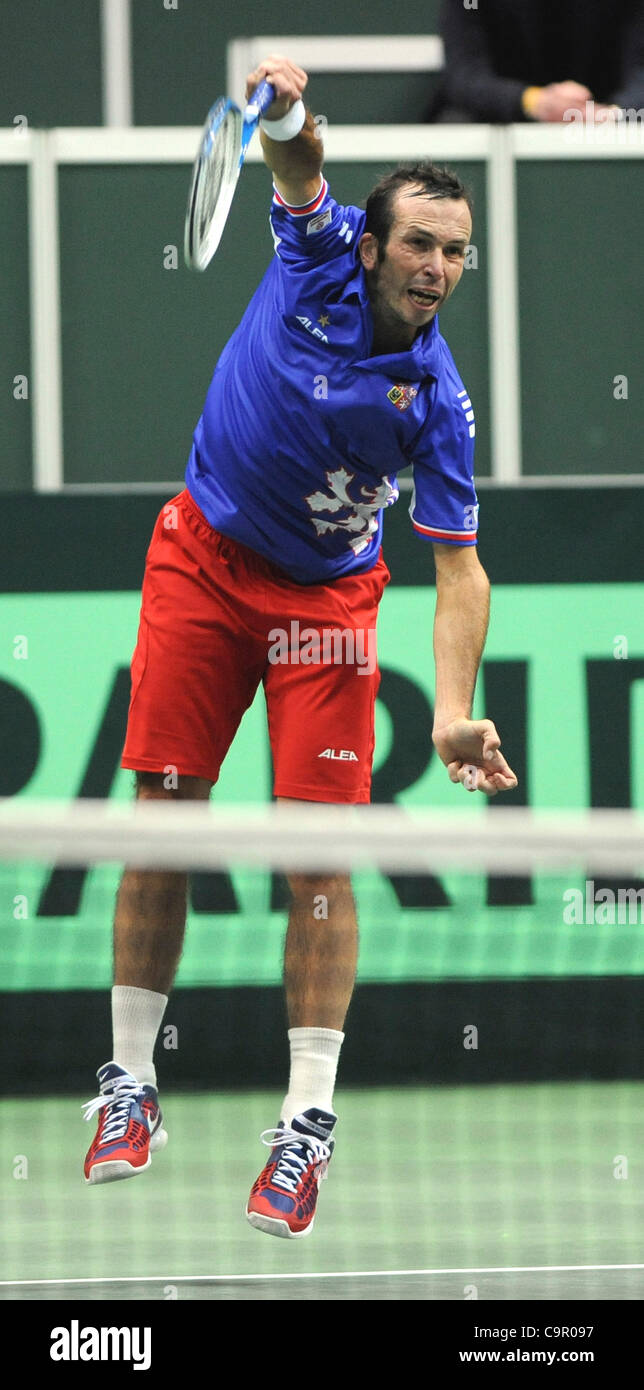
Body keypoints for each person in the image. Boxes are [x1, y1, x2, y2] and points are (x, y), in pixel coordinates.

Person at [82, 54, 518, 1240]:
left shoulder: (437, 401)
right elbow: (300, 165)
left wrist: (447, 712)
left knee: (315, 862)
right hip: (203, 559)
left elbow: (457, 567)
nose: (437, 267)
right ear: (372, 248)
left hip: (323, 607)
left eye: (455, 250)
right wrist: (280, 109)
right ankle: (131, 1083)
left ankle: (304, 1125)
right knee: (161, 814)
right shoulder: (316, 255)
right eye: (420, 242)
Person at [429, 0, 644, 124]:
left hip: (605, 112)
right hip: (505, 113)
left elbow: (640, 69)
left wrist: (613, 113)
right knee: (456, 125)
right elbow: (464, 73)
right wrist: (532, 101)